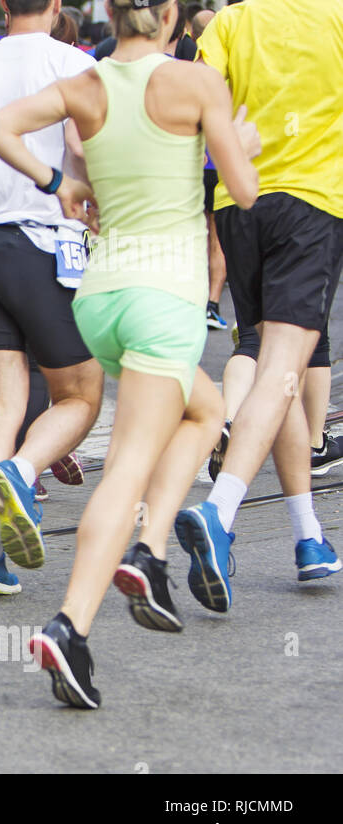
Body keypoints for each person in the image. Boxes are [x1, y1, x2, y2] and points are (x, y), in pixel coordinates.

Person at [0, 0, 260, 709]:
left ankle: (154, 551)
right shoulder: (196, 84)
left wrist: (61, 186)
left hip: (100, 300)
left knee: (208, 410)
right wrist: (242, 139)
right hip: (164, 298)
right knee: (128, 467)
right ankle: (71, 625)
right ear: (172, 15)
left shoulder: (85, 83)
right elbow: (245, 192)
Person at [0, 0, 103, 595]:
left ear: (2, 7)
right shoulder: (73, 63)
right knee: (80, 394)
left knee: (0, 405)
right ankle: (22, 472)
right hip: (44, 245)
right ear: (56, 6)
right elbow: (84, 156)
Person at [180, 0, 343, 594]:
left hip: (240, 205)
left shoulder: (230, 22)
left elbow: (196, 106)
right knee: (281, 369)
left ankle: (307, 535)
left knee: (281, 369)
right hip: (312, 201)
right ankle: (219, 512)